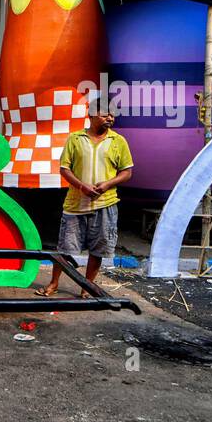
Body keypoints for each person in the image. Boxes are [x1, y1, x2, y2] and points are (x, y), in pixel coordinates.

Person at [36, 108, 134, 297]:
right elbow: (65, 169)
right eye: (106, 114)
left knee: (98, 250)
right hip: (75, 205)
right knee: (64, 249)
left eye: (113, 115)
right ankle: (53, 284)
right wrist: (82, 187)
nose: (110, 118)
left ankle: (86, 288)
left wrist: (107, 184)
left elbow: (127, 172)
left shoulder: (118, 141)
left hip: (106, 204)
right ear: (92, 115)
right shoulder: (75, 139)